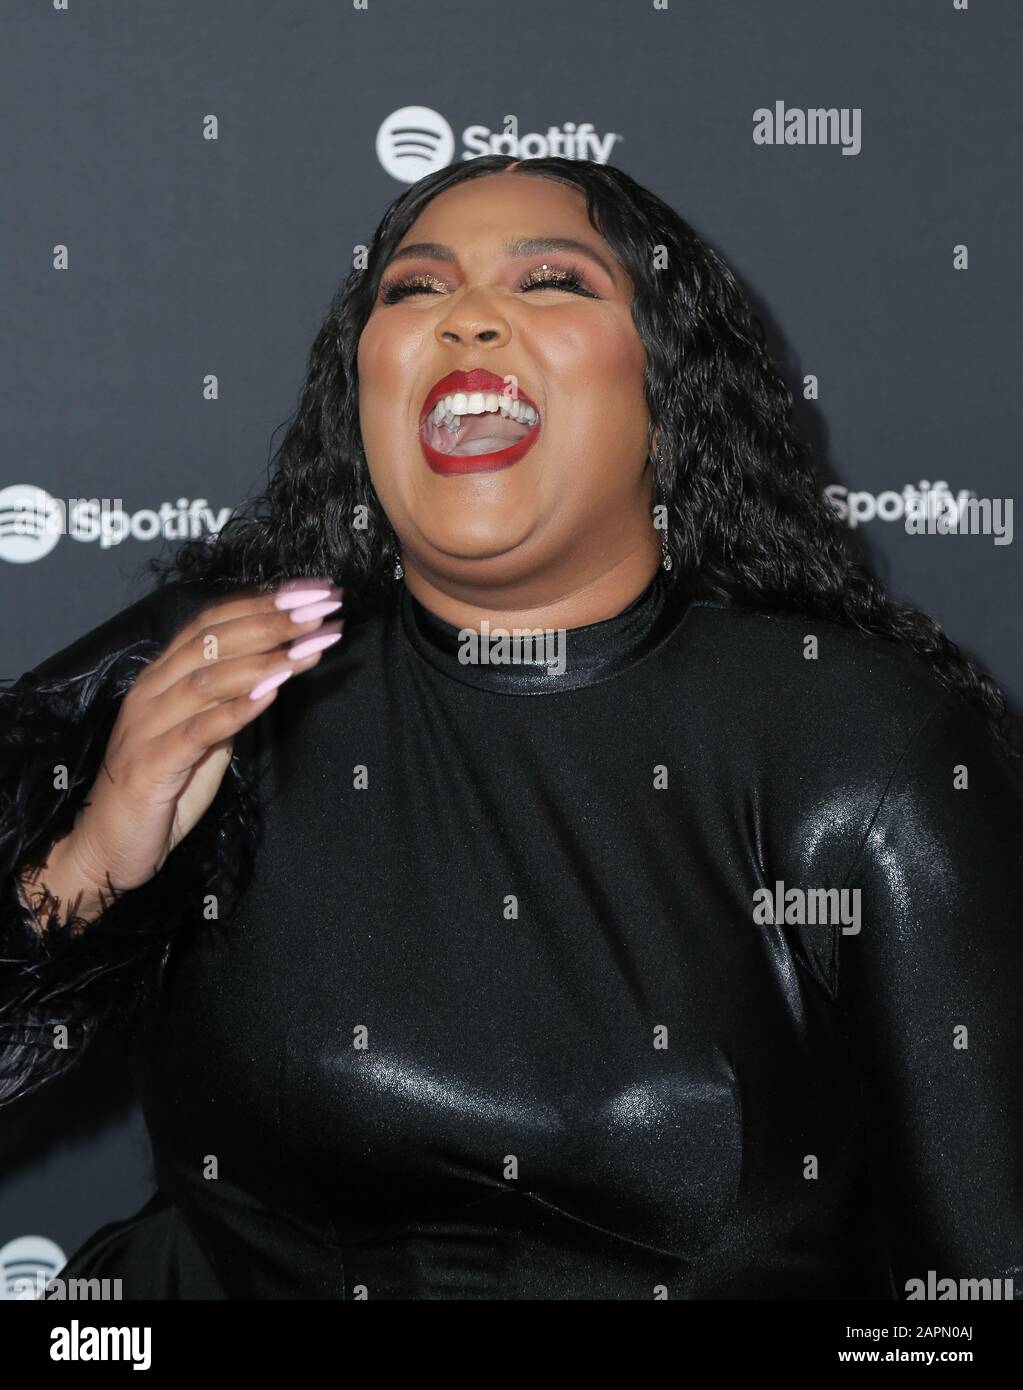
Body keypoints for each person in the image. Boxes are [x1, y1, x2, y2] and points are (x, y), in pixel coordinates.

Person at [2, 155, 1020, 1300]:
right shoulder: (212, 671)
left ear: (666, 392)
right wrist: (86, 867)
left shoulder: (856, 745)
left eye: (550, 283)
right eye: (414, 291)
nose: (467, 320)